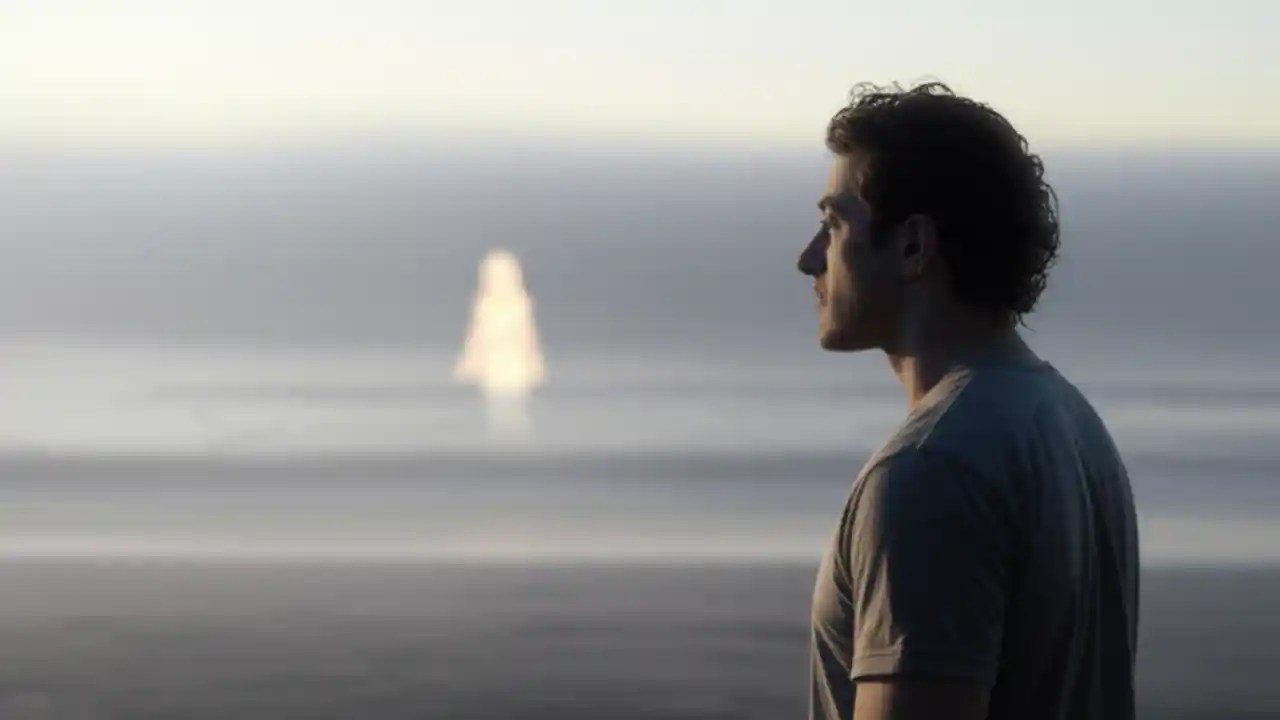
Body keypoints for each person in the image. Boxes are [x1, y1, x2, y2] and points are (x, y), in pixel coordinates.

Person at [798, 82, 1139, 720]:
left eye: (834, 224)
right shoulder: (1072, 425)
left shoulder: (928, 471)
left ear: (912, 247)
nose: (809, 259)